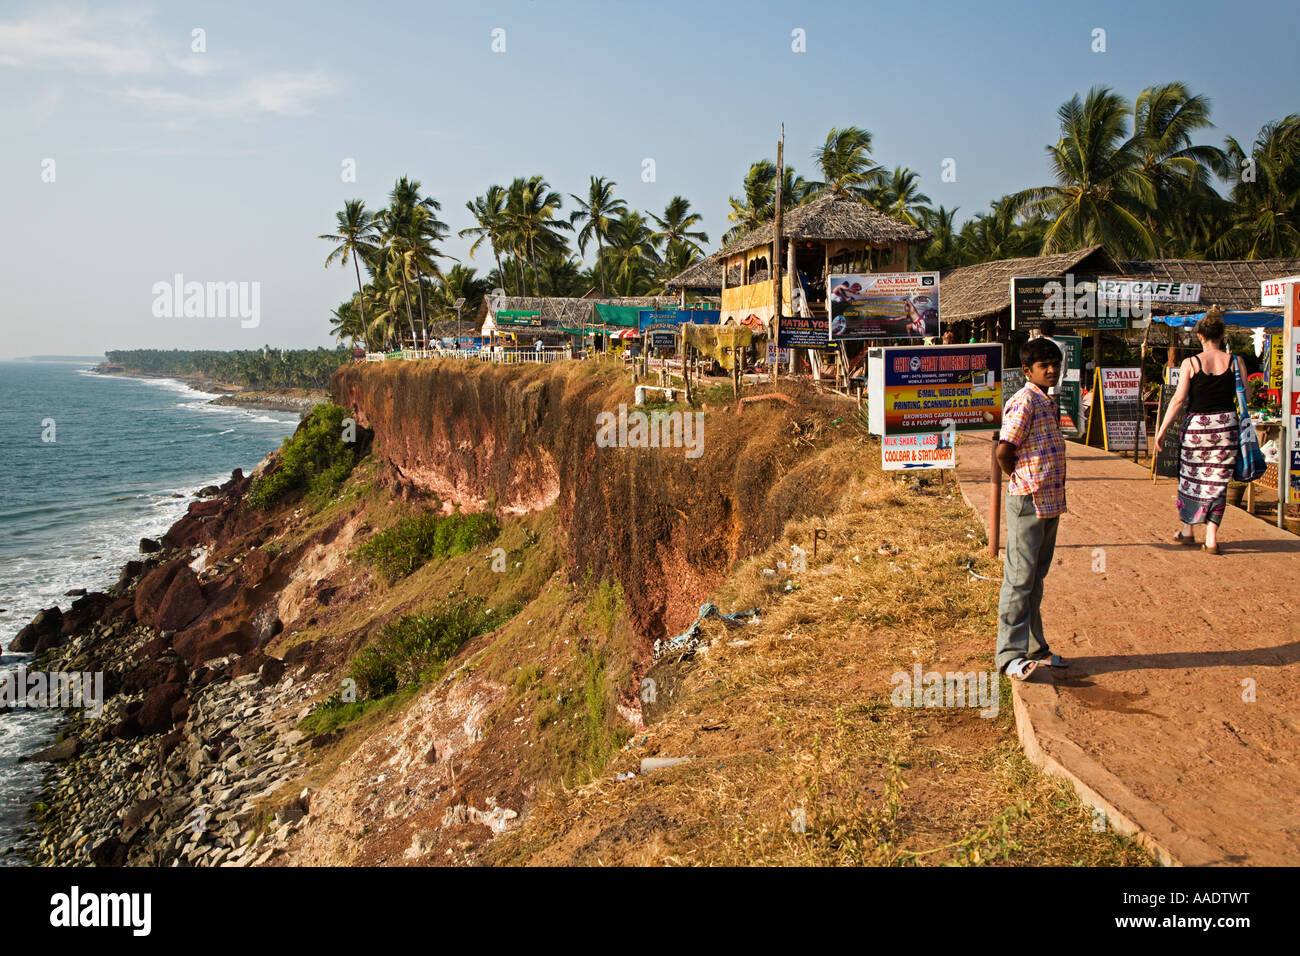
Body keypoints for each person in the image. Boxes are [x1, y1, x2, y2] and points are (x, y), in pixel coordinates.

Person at [995, 337, 1068, 681]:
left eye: (1055, 364)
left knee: (1036, 577)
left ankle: (1036, 647)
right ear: (1028, 370)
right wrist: (1018, 478)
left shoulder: (1048, 402)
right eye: (1044, 366)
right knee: (1019, 578)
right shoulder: (1024, 401)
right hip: (1028, 498)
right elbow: (1003, 450)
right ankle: (1009, 655)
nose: (1052, 370)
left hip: (1050, 501)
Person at [1153, 308, 1245, 554]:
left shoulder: (1191, 363)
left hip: (1197, 430)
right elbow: (1244, 392)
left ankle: (1188, 529)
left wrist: (1162, 430)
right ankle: (1211, 539)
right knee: (1218, 480)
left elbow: (1178, 401)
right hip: (1227, 427)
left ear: (1201, 337)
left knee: (1192, 480)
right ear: (1222, 336)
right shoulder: (1235, 361)